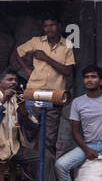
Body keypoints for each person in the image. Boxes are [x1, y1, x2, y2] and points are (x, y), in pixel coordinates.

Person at [11, 17, 75, 169]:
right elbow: (17, 52)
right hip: (34, 93)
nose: (48, 29)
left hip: (55, 96)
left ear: (59, 25)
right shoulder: (36, 41)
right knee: (30, 135)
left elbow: (67, 71)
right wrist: (26, 68)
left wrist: (46, 58)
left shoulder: (67, 44)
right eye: (46, 26)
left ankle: (46, 178)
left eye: (52, 25)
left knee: (49, 139)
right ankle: (29, 176)